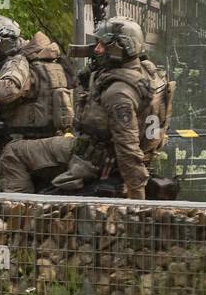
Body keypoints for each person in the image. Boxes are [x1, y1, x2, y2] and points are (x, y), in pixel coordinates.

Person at [52, 15, 175, 200]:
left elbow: (127, 148)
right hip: (124, 154)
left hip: (96, 160)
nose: (97, 49)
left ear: (120, 48)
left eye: (103, 45)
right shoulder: (148, 73)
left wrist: (137, 202)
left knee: (15, 152)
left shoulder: (119, 92)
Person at [0, 14, 81, 193]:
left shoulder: (18, 61)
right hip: (53, 140)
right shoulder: (45, 59)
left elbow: (6, 90)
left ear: (2, 45)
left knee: (11, 155)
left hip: (36, 144)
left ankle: (18, 210)